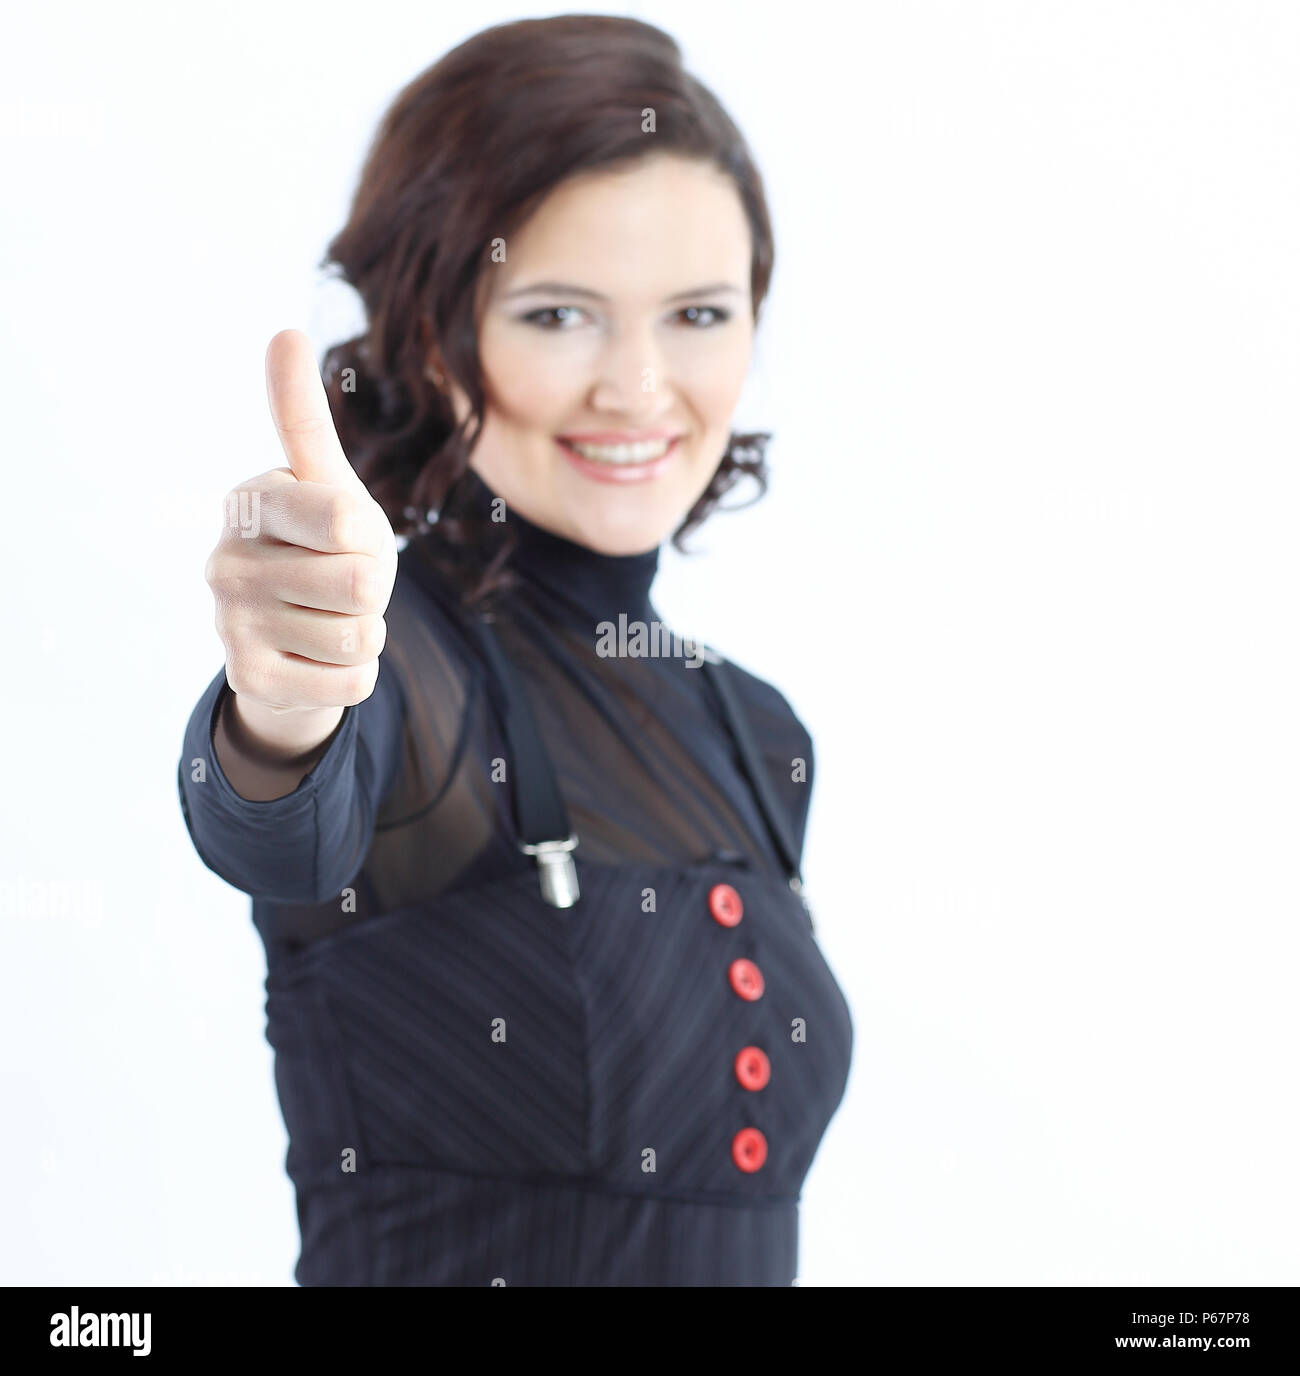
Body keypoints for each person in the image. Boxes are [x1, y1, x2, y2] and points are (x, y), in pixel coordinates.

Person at [177, 14, 852, 1286]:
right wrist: (279, 699)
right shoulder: (403, 669)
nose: (641, 387)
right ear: (434, 334)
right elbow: (280, 817)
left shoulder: (758, 736)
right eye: (559, 315)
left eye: (700, 312)